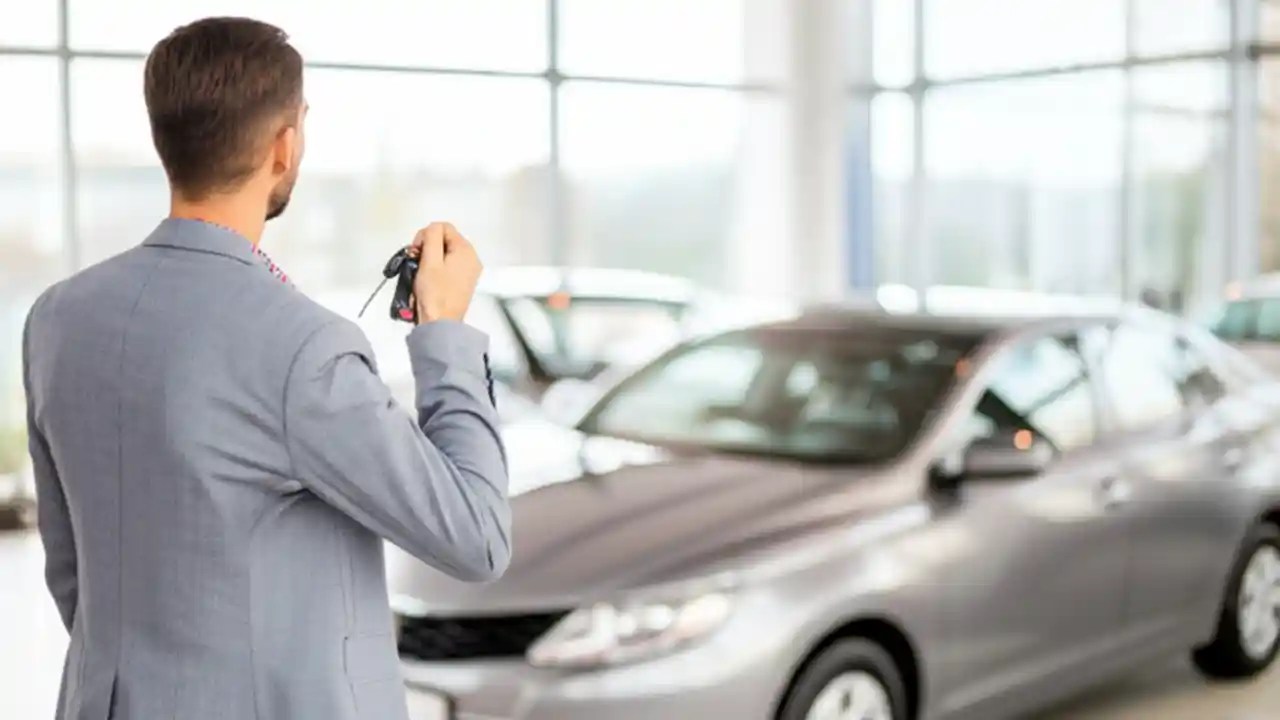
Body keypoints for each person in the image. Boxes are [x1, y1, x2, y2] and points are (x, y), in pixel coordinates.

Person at [21, 17, 511, 720]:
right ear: (285, 146)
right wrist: (446, 335)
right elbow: (477, 537)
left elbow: (71, 571)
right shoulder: (302, 348)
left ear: (167, 141)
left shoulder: (58, 318)